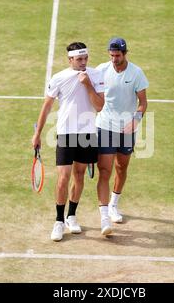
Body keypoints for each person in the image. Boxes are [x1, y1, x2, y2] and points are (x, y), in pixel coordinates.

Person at [32, 42, 111, 242]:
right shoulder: (58, 78)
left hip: (87, 134)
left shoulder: (95, 76)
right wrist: (38, 133)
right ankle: (58, 221)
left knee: (79, 176)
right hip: (66, 133)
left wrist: (87, 84)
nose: (83, 62)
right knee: (63, 178)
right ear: (70, 60)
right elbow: (47, 106)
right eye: (79, 59)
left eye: (85, 58)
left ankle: (71, 216)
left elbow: (100, 106)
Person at [96, 37, 149, 224]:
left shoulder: (136, 73)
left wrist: (136, 120)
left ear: (125, 53)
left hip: (127, 129)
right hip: (105, 125)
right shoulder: (101, 70)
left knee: (121, 167)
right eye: (111, 55)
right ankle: (104, 214)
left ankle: (113, 204)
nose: (114, 59)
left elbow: (143, 103)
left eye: (117, 55)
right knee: (105, 170)